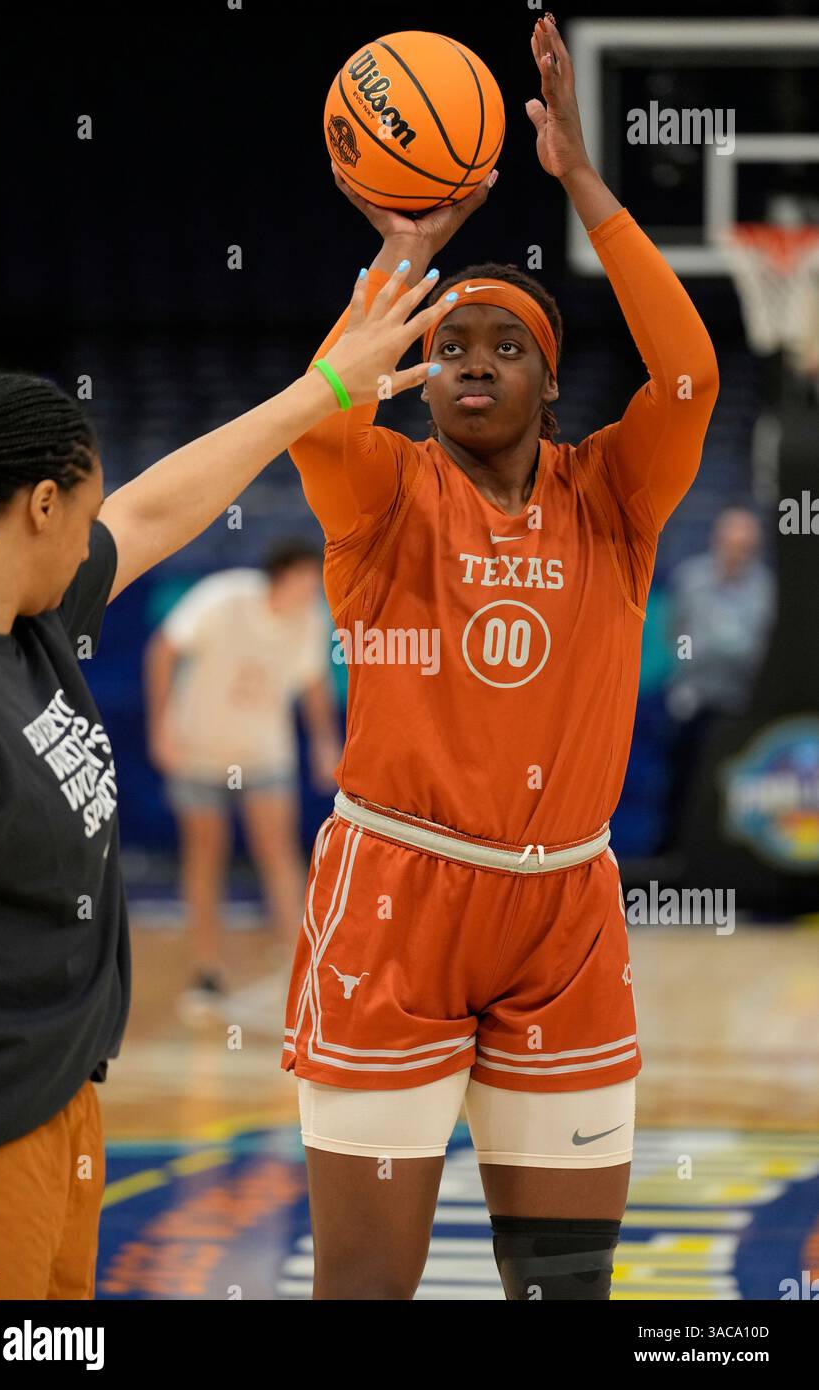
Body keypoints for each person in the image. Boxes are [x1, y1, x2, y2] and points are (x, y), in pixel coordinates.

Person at [280, 15, 719, 1301]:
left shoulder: (614, 498)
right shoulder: (379, 488)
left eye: (503, 344)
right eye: (449, 345)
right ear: (417, 376)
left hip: (565, 913)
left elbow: (685, 377)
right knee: (365, 1287)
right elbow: (319, 403)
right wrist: (402, 251)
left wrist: (580, 182)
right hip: (396, 899)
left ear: (548, 378)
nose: (471, 359)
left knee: (566, 1288)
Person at [0, 265, 446, 1299]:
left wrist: (327, 389)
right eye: (83, 511)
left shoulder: (28, 619)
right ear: (42, 503)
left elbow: (158, 509)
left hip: (61, 1109)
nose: (99, 531)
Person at [144, 538, 342, 1021]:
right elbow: (163, 649)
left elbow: (313, 682)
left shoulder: (310, 619)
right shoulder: (224, 597)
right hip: (199, 751)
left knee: (278, 853)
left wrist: (323, 742)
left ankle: (304, 971)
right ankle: (207, 971)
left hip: (263, 756)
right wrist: (162, 726)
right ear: (282, 575)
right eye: (304, 580)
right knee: (204, 853)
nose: (311, 591)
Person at [663, 507, 775, 848]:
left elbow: (761, 645)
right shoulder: (690, 579)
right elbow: (677, 632)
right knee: (683, 780)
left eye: (746, 546)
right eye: (732, 543)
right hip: (693, 698)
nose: (737, 552)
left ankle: (719, 854)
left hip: (739, 702)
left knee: (729, 787)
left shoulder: (766, 590)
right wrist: (687, 660)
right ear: (717, 540)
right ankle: (674, 848)